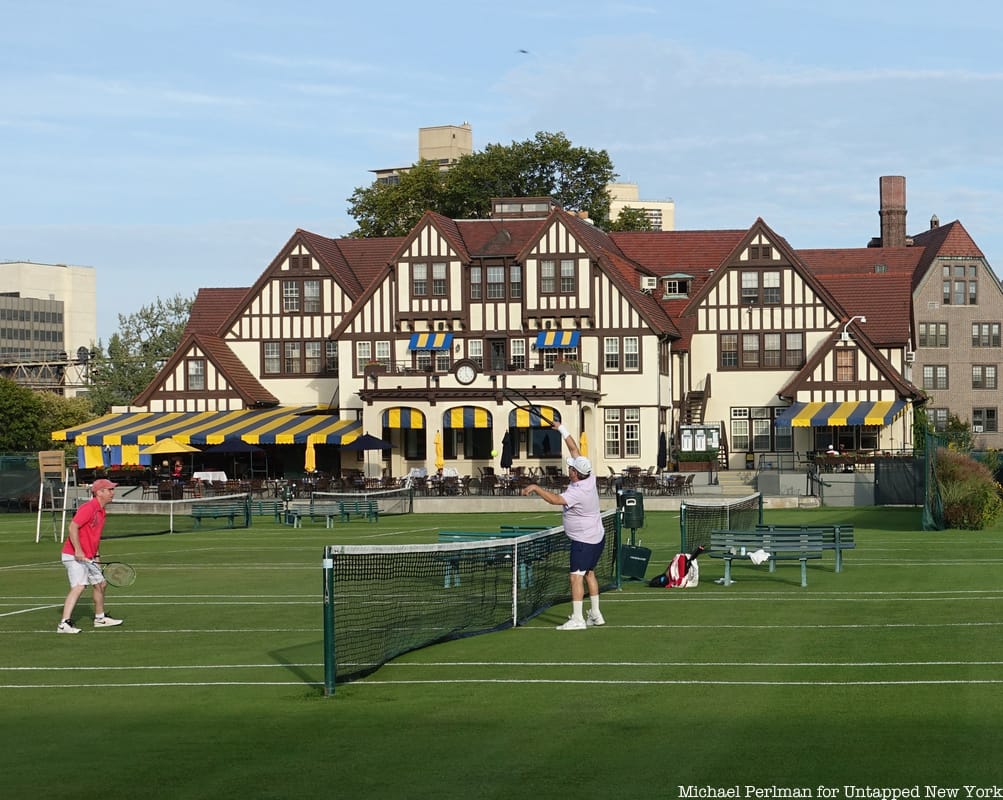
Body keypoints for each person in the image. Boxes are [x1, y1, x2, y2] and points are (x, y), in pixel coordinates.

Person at [522, 420, 606, 630]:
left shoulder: (577, 492)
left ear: (576, 473)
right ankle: (595, 614)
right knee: (589, 574)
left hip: (584, 541)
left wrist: (535, 487)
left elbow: (554, 500)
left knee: (575, 577)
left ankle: (578, 619)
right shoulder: (589, 476)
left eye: (570, 468)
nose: (568, 469)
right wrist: (561, 428)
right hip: (597, 537)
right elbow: (574, 448)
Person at [57, 478, 124, 633]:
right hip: (73, 555)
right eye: (109, 490)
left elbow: (94, 536)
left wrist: (97, 556)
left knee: (101, 584)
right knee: (79, 586)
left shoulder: (102, 511)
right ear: (99, 492)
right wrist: (78, 550)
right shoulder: (89, 508)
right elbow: (73, 527)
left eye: (112, 489)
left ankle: (100, 619)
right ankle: (64, 623)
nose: (112, 493)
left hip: (89, 556)